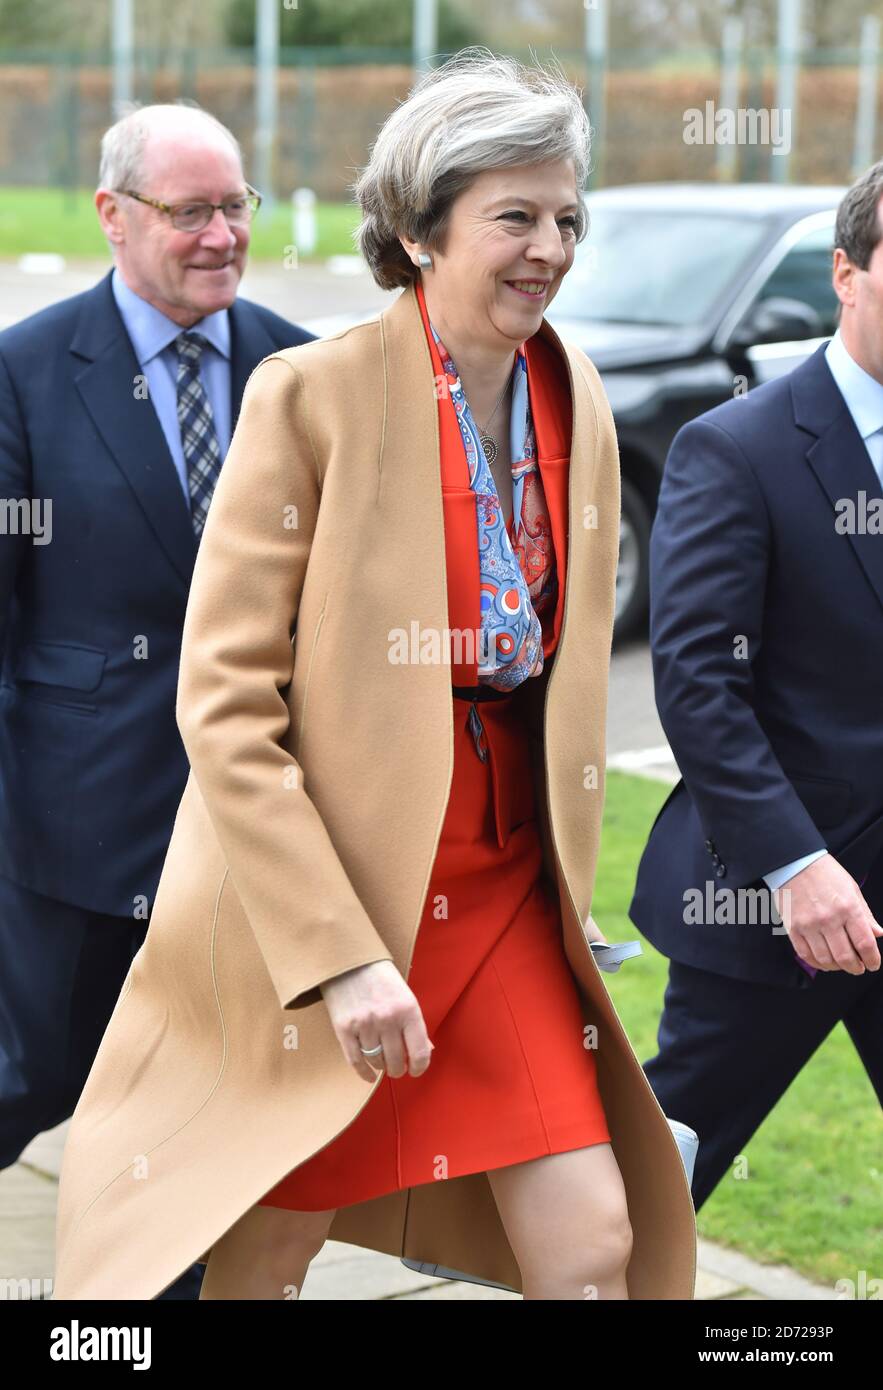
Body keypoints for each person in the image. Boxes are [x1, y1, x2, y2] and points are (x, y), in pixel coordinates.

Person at [52, 50, 696, 1302]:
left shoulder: (581, 399)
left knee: (595, 1247)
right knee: (270, 1252)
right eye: (514, 217)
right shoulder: (311, 396)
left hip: (507, 896)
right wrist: (338, 955)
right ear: (415, 228)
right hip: (340, 901)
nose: (549, 249)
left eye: (567, 218)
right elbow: (227, 707)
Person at [0, 101, 313, 1300]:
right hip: (76, 824)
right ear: (114, 216)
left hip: (246, 830)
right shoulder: (27, 373)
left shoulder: (294, 366)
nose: (222, 234)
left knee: (190, 1112)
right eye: (190, 212)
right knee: (36, 1079)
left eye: (236, 206)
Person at [630, 160, 883, 1214]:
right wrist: (794, 865)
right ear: (845, 272)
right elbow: (697, 686)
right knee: (643, 1194)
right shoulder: (735, 446)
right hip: (772, 903)